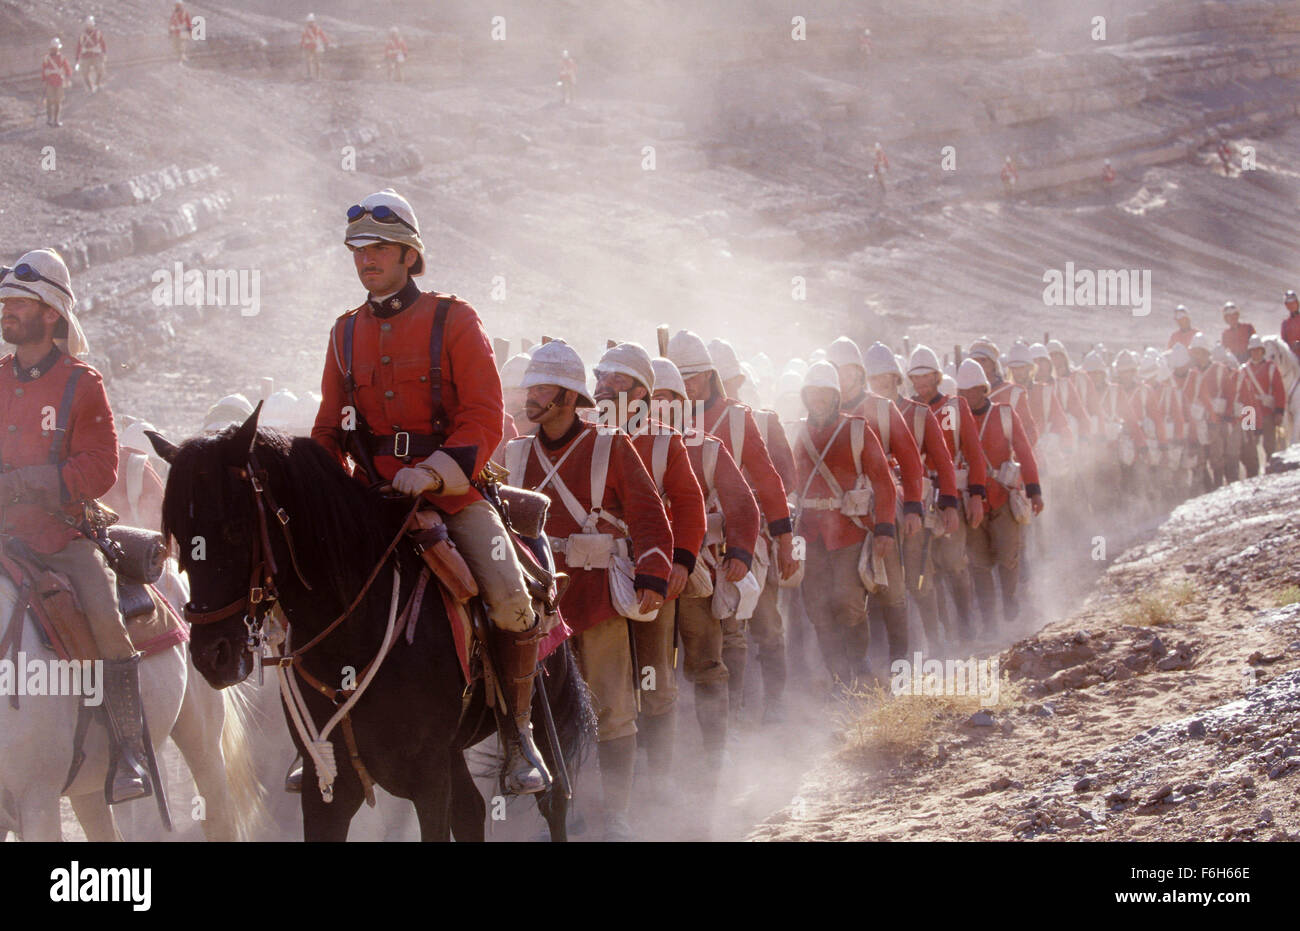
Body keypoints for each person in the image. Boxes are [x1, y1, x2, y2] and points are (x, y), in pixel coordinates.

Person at [310, 189, 549, 795]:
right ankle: (317, 732)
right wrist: (317, 485)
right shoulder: (342, 334)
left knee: (507, 593)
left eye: (381, 248)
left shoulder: (455, 319)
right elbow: (326, 426)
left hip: (450, 496)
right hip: (368, 502)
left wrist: (436, 470)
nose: (367, 258)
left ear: (410, 254)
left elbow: (485, 416)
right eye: (358, 249)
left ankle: (519, 734)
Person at [0, 248, 154, 803]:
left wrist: (32, 481)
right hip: (1, 538)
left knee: (106, 622)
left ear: (50, 314)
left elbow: (102, 467)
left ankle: (128, 750)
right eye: (6, 303)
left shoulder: (81, 384)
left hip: (60, 539)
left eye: (20, 302)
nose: (7, 312)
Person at [503, 341, 672, 840]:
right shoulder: (513, 454)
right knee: (545, 713)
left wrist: (653, 575)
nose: (531, 395)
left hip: (596, 599)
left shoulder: (611, 445)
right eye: (530, 386)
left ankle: (615, 815)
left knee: (614, 712)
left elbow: (649, 517)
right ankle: (559, 813)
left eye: (541, 387)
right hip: (537, 608)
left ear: (567, 395)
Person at [592, 343, 706, 800]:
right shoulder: (585, 434)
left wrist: (680, 560)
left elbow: (689, 504)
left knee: (654, 675)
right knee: (600, 683)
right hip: (596, 572)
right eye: (602, 377)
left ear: (641, 391)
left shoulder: (663, 439)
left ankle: (660, 779)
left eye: (617, 381)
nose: (604, 387)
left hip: (651, 570)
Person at [649, 357, 759, 813]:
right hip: (647, 572)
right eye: (651, 398)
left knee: (706, 662)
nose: (657, 406)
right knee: (651, 676)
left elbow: (743, 503)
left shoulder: (706, 446)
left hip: (694, 572)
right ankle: (656, 771)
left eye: (666, 399)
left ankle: (716, 752)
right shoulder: (624, 445)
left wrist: (739, 551)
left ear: (680, 402)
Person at [789, 362, 896, 687]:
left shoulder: (858, 430)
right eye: (813, 393)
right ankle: (838, 675)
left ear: (835, 396)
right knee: (818, 608)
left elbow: (883, 482)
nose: (818, 399)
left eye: (824, 393)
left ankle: (859, 665)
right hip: (808, 533)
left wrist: (884, 527)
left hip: (848, 530)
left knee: (849, 602)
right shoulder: (795, 431)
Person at [956, 359, 1042, 632]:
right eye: (964, 392)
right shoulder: (953, 418)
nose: (969, 397)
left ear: (984, 389)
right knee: (979, 564)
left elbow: (1024, 451)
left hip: (1002, 495)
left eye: (974, 391)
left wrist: (1034, 489)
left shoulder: (1004, 413)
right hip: (971, 499)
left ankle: (1009, 598)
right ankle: (990, 619)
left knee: (1008, 555)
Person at [1236, 334, 1285, 476]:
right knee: (1249, 446)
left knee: (1269, 445)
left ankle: (1272, 472)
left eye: (1258, 350)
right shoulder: (1243, 369)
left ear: (1262, 351)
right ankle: (1252, 473)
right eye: (1252, 350)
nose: (1255, 353)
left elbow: (1279, 390)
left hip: (1267, 410)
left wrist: (1279, 411)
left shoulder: (1271, 368)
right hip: (1249, 411)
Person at [41, 39, 72, 127]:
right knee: (50, 101)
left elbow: (67, 69)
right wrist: (44, 80)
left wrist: (68, 78)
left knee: (58, 102)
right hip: (50, 82)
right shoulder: (47, 58)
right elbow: (44, 70)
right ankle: (49, 119)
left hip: (59, 82)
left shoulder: (62, 58)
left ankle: (56, 120)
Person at [75, 16, 108, 93]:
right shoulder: (82, 35)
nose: (90, 27)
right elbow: (79, 47)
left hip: (96, 55)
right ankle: (90, 88)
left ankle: (97, 84)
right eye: (88, 25)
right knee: (84, 74)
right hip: (86, 57)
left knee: (100, 70)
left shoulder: (97, 33)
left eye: (91, 25)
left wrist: (104, 53)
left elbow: (102, 44)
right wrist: (77, 59)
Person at [301, 14, 332, 81]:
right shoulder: (306, 30)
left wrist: (327, 42)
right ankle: (310, 76)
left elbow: (323, 36)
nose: (310, 23)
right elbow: (303, 38)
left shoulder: (318, 29)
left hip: (317, 47)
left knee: (317, 62)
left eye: (311, 22)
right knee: (308, 62)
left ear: (314, 22)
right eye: (309, 22)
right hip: (309, 47)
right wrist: (302, 45)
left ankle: (318, 77)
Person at [1280, 290, 1300, 359]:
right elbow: (1283, 343)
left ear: (1297, 303)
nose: (1291, 306)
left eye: (1293, 303)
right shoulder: (1285, 323)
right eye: (1289, 304)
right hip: (1291, 358)